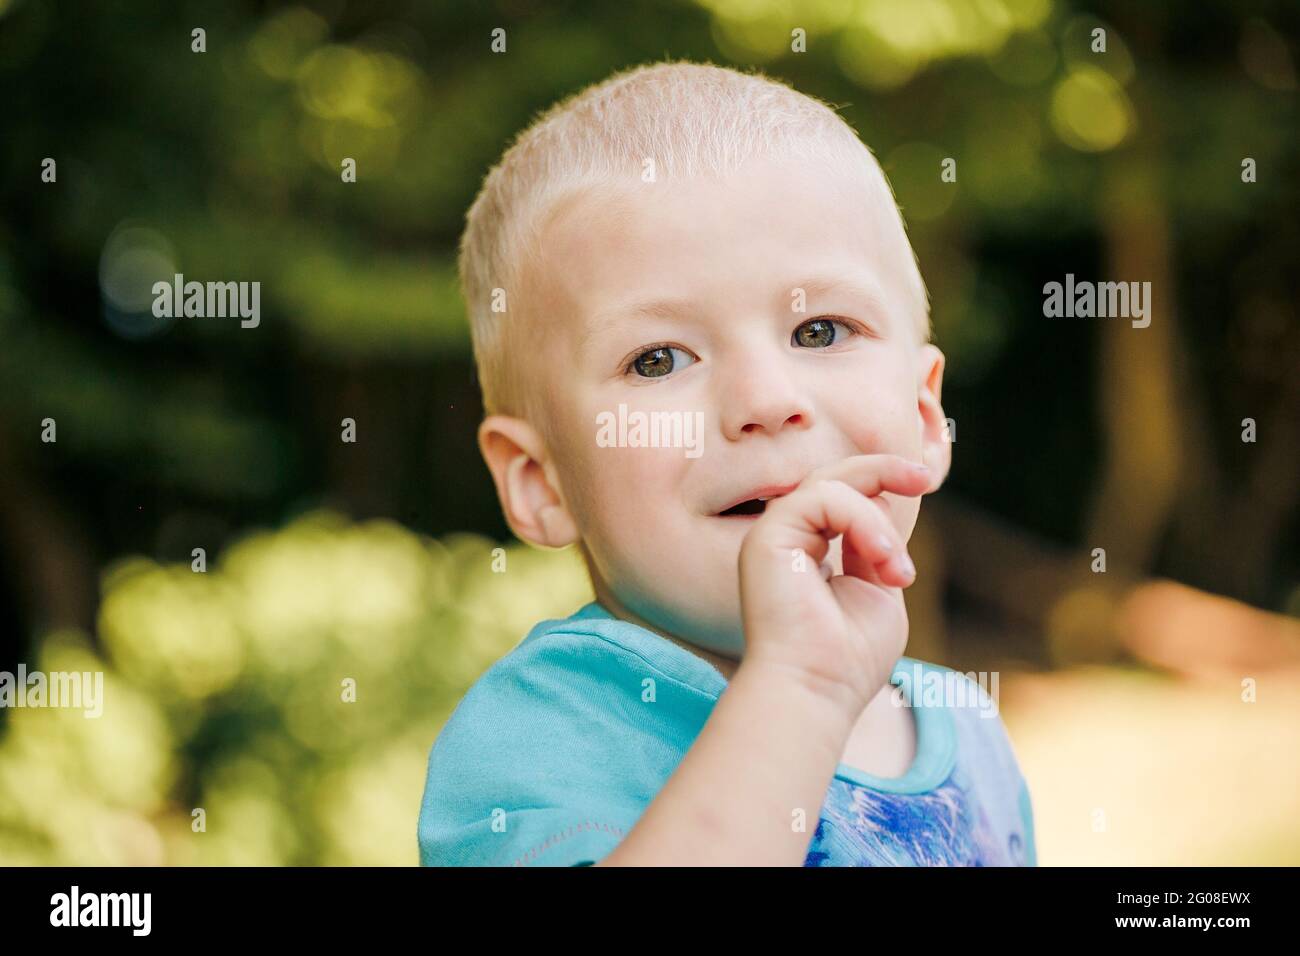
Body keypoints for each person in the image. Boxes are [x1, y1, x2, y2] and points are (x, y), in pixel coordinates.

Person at [419, 60, 1036, 866]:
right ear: (542, 483)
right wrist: (801, 689)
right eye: (658, 359)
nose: (764, 399)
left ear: (925, 419)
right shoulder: (548, 731)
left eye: (820, 331)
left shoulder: (970, 734)